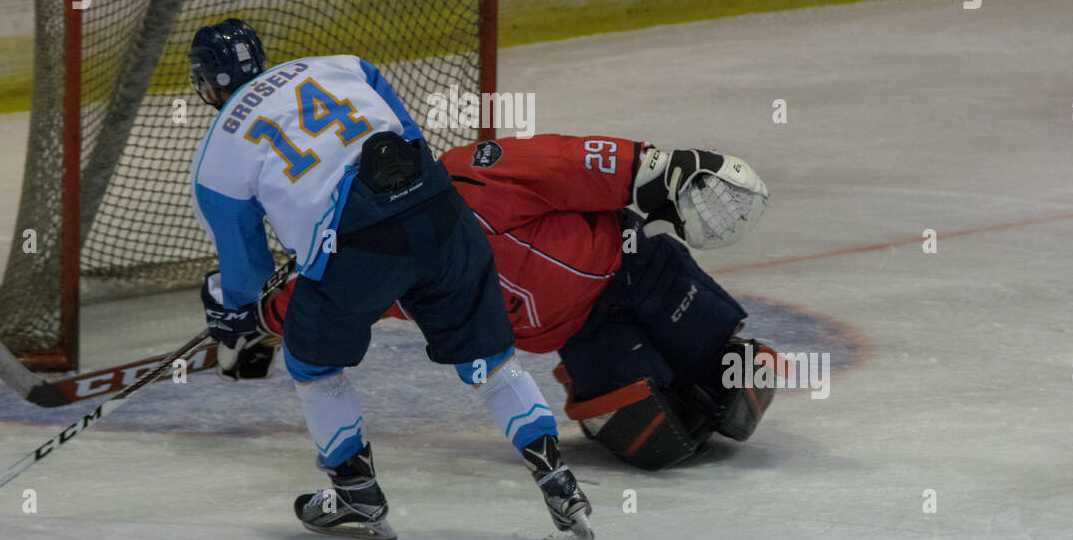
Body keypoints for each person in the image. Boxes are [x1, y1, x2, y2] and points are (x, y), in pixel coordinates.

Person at [186, 19, 592, 540]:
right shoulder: (344, 66)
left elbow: (249, 280)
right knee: (490, 360)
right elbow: (410, 142)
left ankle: (357, 497)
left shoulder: (214, 156)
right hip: (443, 215)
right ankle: (559, 482)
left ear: (205, 82)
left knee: (313, 364)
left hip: (359, 253)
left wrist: (233, 311)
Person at [265, 133, 776, 470]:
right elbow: (328, 299)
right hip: (583, 333)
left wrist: (661, 170)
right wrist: (260, 314)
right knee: (657, 437)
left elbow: (567, 163)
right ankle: (656, 376)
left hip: (639, 266)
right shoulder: (378, 247)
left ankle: (692, 365)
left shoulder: (475, 172)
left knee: (740, 385)